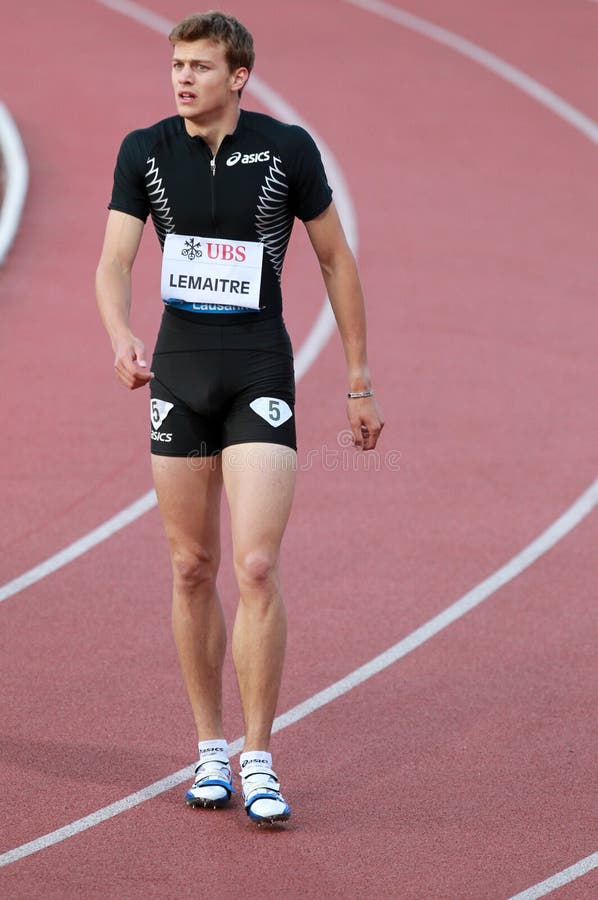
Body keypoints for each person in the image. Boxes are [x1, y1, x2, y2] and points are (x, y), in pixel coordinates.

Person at [96, 11, 383, 826]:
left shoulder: (287, 149)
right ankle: (209, 749)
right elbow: (115, 259)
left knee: (254, 565)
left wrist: (359, 380)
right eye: (176, 64)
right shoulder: (143, 150)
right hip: (179, 373)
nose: (183, 77)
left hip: (258, 366)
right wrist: (120, 334)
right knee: (191, 567)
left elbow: (334, 258)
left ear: (239, 76)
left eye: (200, 65)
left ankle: (258, 754)